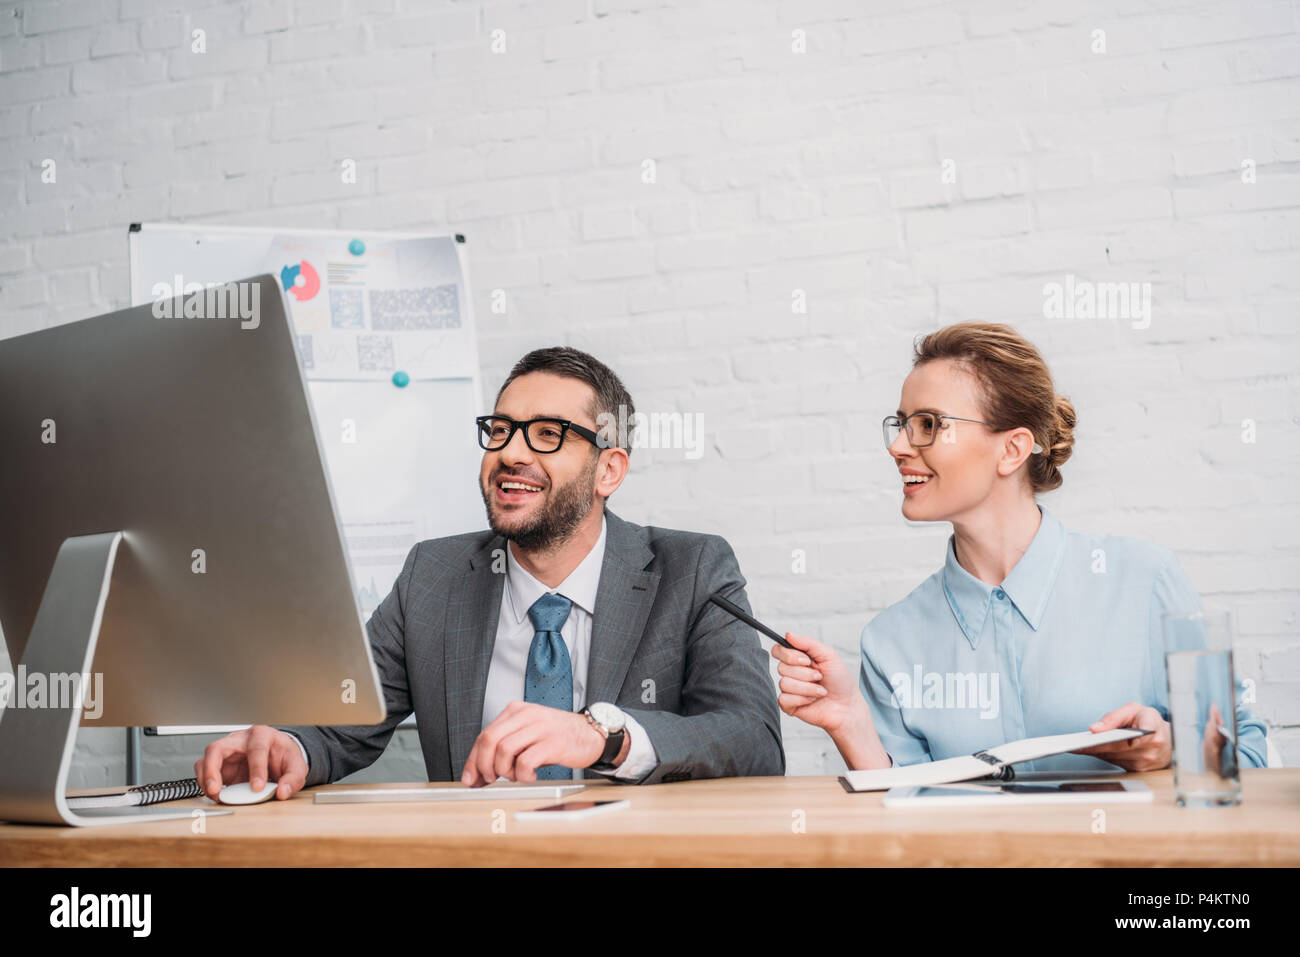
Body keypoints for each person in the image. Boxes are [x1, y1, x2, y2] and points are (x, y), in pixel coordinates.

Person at [197, 347, 784, 798]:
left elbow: (752, 738)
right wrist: (290, 744)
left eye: (548, 434)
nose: (512, 453)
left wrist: (603, 737)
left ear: (609, 470)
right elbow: (345, 716)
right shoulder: (435, 574)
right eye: (500, 430)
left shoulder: (691, 569)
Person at [772, 321, 1268, 772]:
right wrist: (850, 723)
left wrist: (1170, 750)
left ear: (1011, 449)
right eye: (900, 423)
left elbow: (1246, 755)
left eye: (927, 424)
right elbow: (905, 827)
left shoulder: (1144, 581)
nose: (898, 446)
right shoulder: (891, 639)